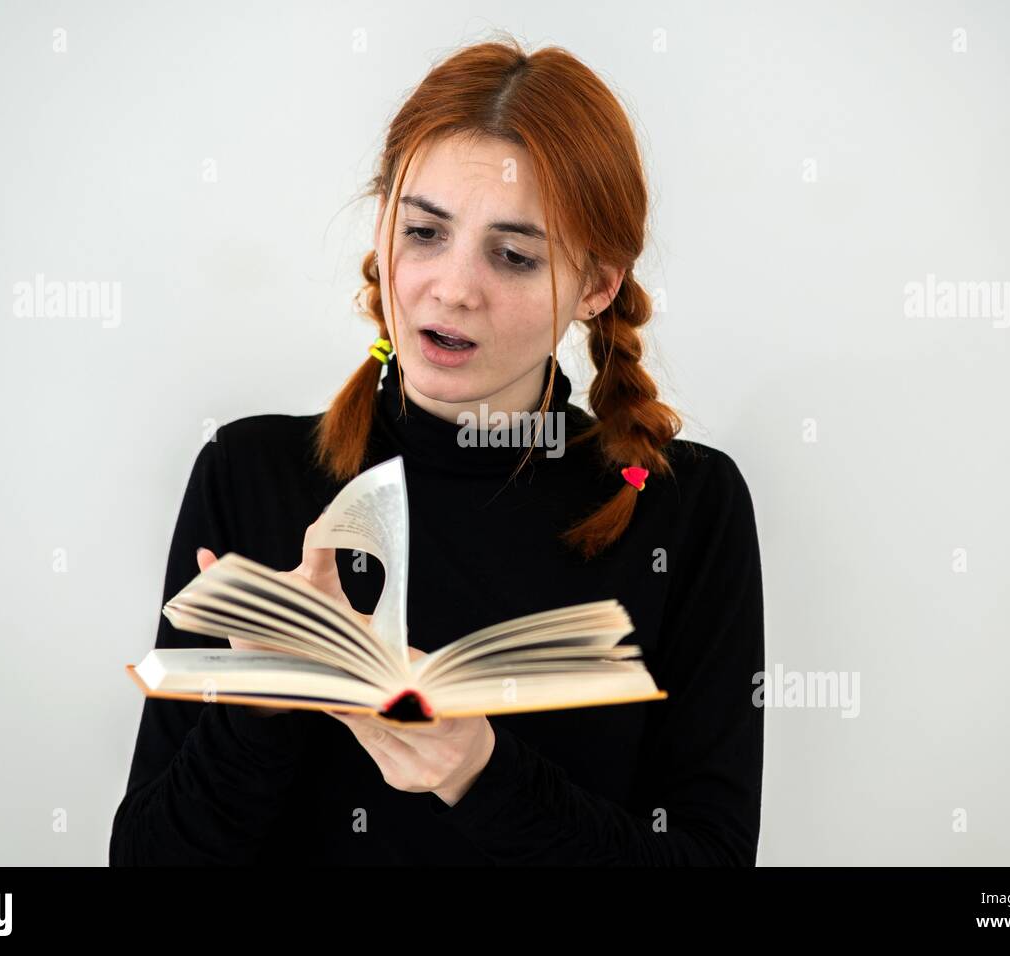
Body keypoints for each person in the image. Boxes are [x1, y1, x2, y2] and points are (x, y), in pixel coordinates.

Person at [109, 35, 764, 866]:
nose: (453, 287)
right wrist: (258, 707)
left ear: (598, 284)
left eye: (514, 255)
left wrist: (481, 773)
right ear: (384, 225)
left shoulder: (686, 505)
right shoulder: (251, 474)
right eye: (424, 232)